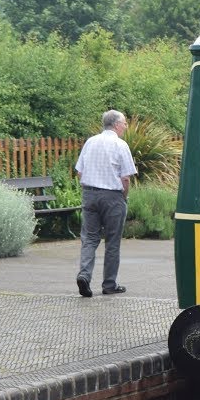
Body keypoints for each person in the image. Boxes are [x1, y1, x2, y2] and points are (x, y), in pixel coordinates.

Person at [74, 110, 137, 296]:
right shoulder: (120, 144)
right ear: (116, 125)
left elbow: (79, 172)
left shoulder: (90, 142)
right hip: (112, 197)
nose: (125, 126)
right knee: (112, 242)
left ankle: (84, 275)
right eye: (124, 123)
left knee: (90, 238)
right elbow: (125, 178)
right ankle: (109, 285)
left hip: (90, 195)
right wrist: (124, 197)